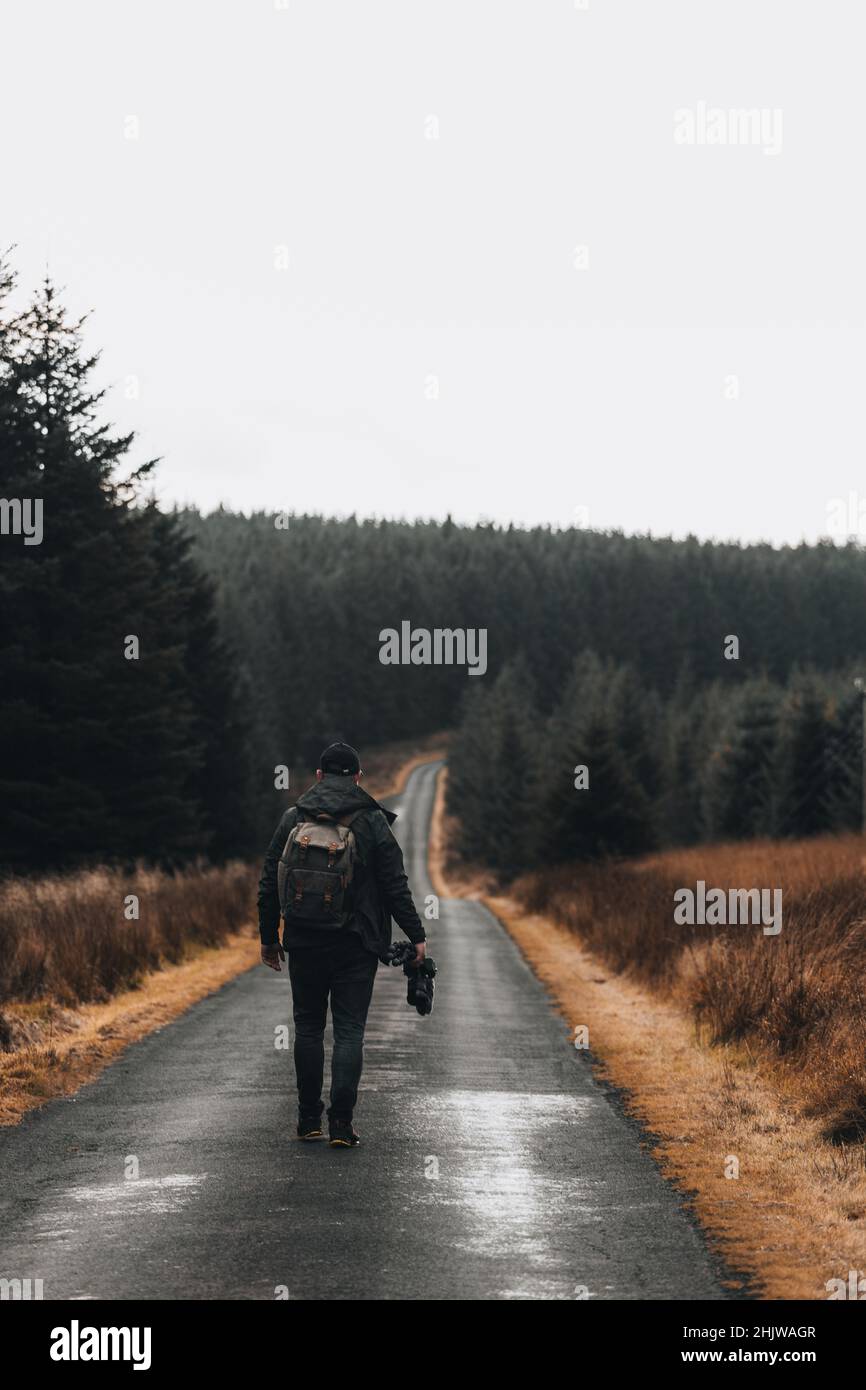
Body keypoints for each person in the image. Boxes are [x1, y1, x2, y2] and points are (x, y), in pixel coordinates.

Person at [257, 741, 426, 1147]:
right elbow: (395, 885)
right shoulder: (370, 822)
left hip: (304, 940)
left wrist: (269, 940)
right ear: (357, 777)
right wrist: (416, 936)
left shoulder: (293, 818)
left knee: (309, 1028)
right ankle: (341, 1125)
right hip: (355, 944)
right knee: (350, 1033)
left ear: (318, 776)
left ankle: (307, 1119)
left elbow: (267, 884)